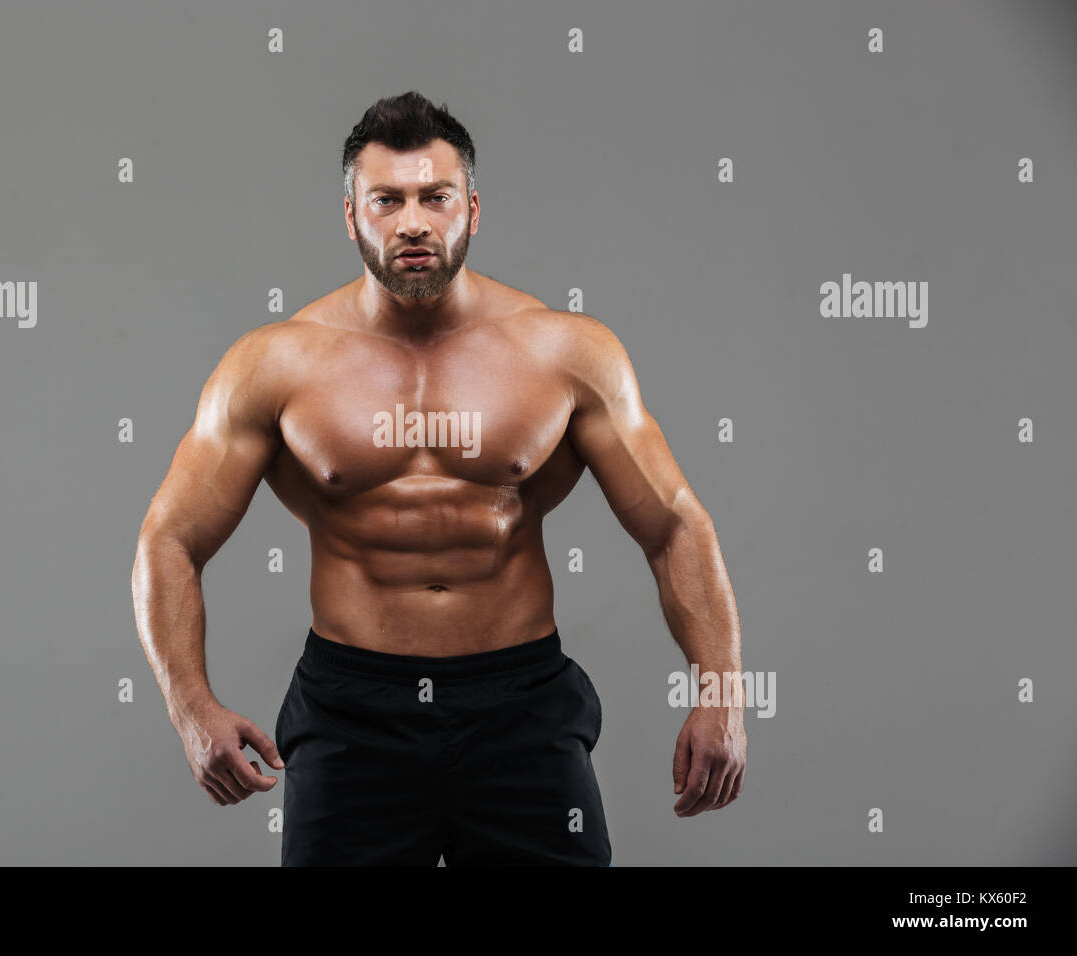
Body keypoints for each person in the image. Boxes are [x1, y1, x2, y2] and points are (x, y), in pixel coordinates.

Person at [131, 91, 746, 866]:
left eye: (435, 197)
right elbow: (169, 539)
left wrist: (721, 693)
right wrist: (191, 709)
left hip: (519, 708)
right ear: (351, 215)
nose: (413, 221)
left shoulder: (563, 352)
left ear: (473, 210)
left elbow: (675, 525)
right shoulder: (274, 365)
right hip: (353, 712)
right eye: (386, 200)